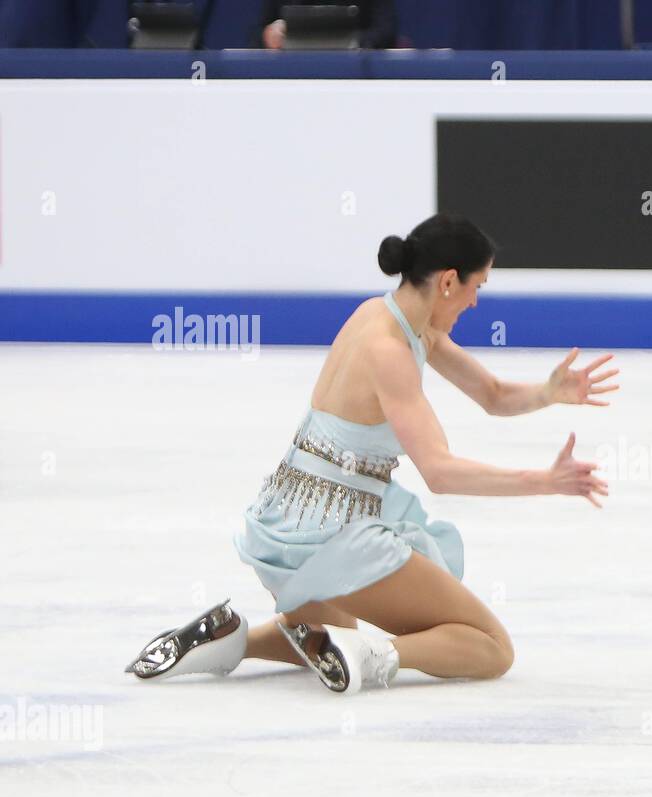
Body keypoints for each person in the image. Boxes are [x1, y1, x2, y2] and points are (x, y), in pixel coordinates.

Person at [127, 213, 618, 693]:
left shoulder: (381, 315)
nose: (475, 303)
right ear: (449, 281)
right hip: (331, 532)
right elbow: (440, 472)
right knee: (490, 646)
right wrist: (544, 481)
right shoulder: (391, 352)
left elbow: (490, 394)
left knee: (326, 638)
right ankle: (380, 657)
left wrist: (548, 393)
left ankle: (230, 640)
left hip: (283, 524)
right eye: (478, 287)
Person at [259, 0, 397, 50]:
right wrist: (269, 35)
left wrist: (341, 42)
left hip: (353, 71)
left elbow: (385, 31)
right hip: (296, 70)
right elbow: (257, 34)